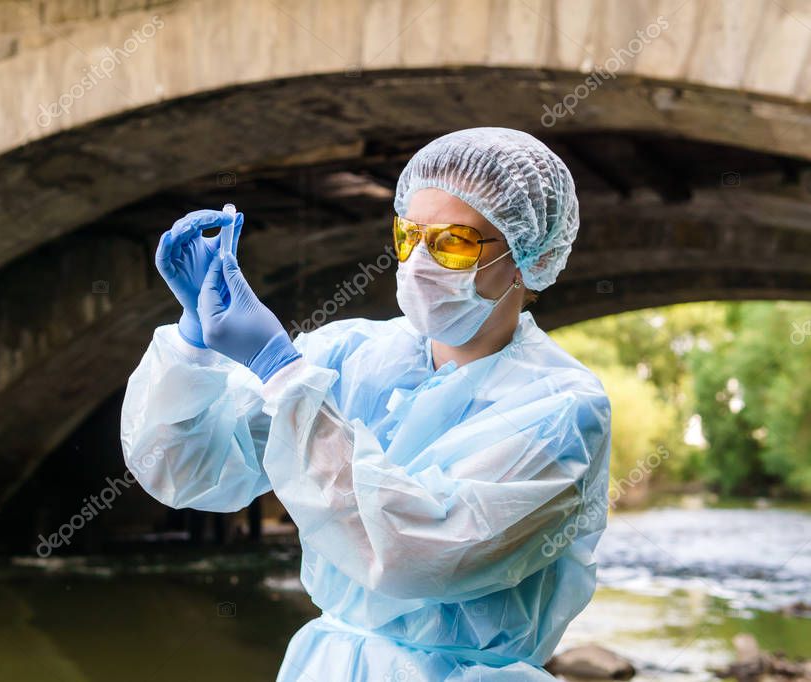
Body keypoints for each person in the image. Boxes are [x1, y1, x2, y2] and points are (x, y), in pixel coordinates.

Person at [120, 127, 613, 680]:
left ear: (530, 256)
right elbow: (187, 470)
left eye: (454, 242)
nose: (421, 262)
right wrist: (192, 347)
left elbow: (412, 554)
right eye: (410, 236)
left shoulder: (563, 410)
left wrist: (283, 375)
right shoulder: (350, 354)